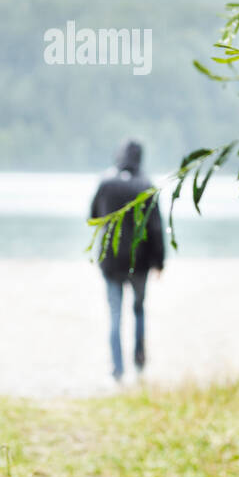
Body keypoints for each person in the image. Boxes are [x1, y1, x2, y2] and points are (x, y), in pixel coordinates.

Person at [89, 140, 165, 382]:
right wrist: (159, 261)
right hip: (140, 262)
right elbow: (156, 229)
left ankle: (118, 369)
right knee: (139, 311)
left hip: (110, 262)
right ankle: (139, 362)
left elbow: (93, 217)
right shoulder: (146, 186)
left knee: (114, 315)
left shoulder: (106, 184)